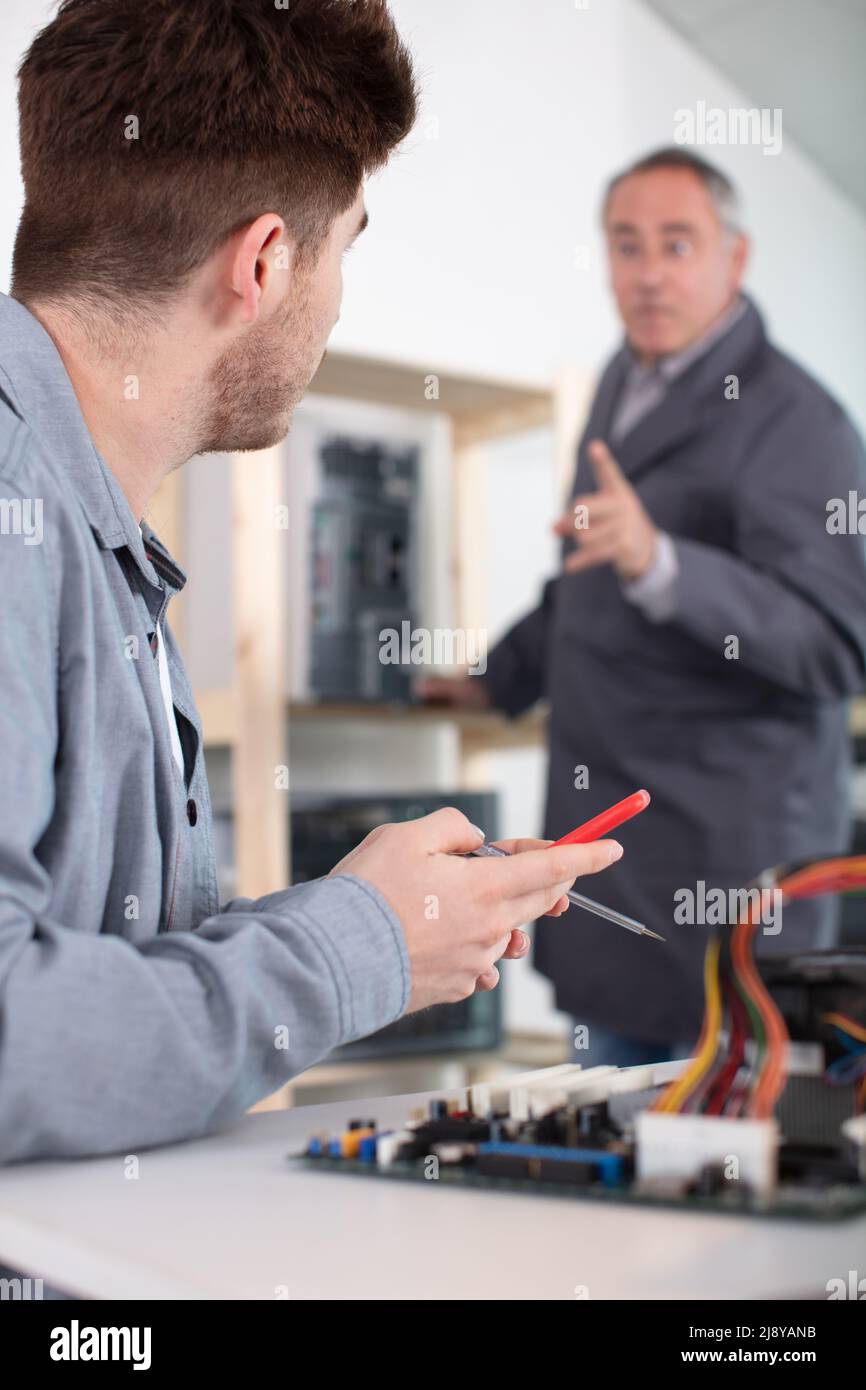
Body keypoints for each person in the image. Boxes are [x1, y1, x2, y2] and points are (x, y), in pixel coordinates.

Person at [0, 0, 625, 1164]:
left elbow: (96, 963)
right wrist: (358, 943)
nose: (335, 304)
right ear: (264, 261)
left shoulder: (94, 530)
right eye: (344, 252)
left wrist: (376, 921)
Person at [421, 148, 866, 1066]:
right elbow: (589, 576)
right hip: (617, 869)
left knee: (715, 1175)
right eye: (627, 246)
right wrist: (491, 681)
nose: (650, 272)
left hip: (733, 877)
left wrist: (664, 562)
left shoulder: (801, 421)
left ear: (735, 259)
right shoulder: (623, 382)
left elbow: (839, 644)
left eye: (677, 244)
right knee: (610, 1168)